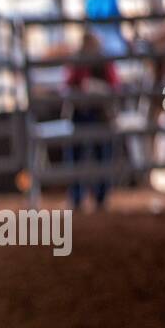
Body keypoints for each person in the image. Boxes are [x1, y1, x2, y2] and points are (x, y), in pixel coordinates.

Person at [64, 32, 119, 210]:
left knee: (102, 154)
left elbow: (115, 86)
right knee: (77, 155)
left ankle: (101, 197)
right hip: (81, 113)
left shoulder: (103, 62)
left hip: (100, 114)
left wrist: (97, 89)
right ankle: (77, 197)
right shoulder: (77, 61)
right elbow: (68, 85)